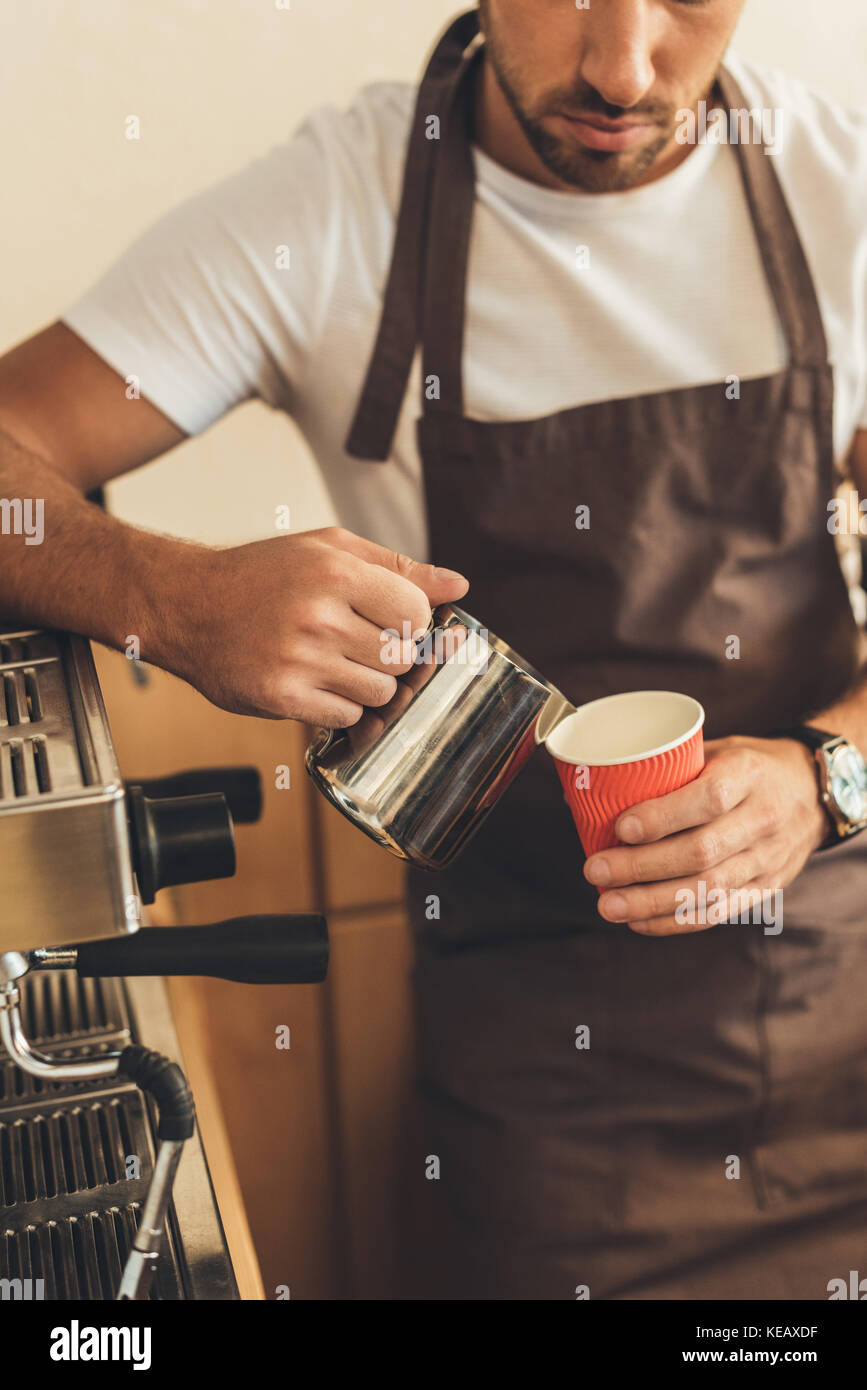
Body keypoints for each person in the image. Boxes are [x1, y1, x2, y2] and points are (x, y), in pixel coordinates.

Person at [2, 1, 867, 1299]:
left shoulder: (835, 195)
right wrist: (172, 598)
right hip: (558, 1113)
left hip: (844, 1029)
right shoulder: (338, 212)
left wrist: (828, 774)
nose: (623, 67)